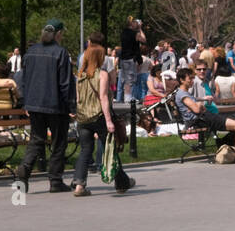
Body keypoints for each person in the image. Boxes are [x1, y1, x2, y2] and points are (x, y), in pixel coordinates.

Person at [15, 20, 77, 193]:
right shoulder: (61, 53)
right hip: (55, 106)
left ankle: (24, 169)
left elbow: (24, 79)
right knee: (58, 143)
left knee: (36, 139)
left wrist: (26, 101)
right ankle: (55, 181)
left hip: (35, 104)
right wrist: (72, 107)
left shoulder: (31, 52)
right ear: (57, 34)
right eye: (62, 34)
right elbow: (65, 83)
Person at [72, 43, 133, 196]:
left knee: (85, 150)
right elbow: (103, 97)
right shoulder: (102, 74)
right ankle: (121, 182)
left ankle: (79, 184)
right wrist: (108, 121)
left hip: (83, 118)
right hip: (98, 116)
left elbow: (78, 98)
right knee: (110, 149)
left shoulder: (80, 75)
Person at [175, 67, 235, 164]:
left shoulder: (184, 93)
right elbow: (196, 109)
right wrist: (199, 105)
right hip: (201, 120)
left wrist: (198, 104)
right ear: (182, 80)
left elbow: (195, 107)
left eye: (192, 78)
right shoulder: (182, 94)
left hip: (205, 117)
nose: (192, 80)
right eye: (190, 78)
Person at [118, 17, 146, 102]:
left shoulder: (123, 32)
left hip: (123, 58)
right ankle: (128, 97)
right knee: (130, 79)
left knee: (125, 79)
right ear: (132, 25)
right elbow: (144, 40)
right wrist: (140, 29)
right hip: (130, 59)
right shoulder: (135, 34)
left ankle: (127, 96)